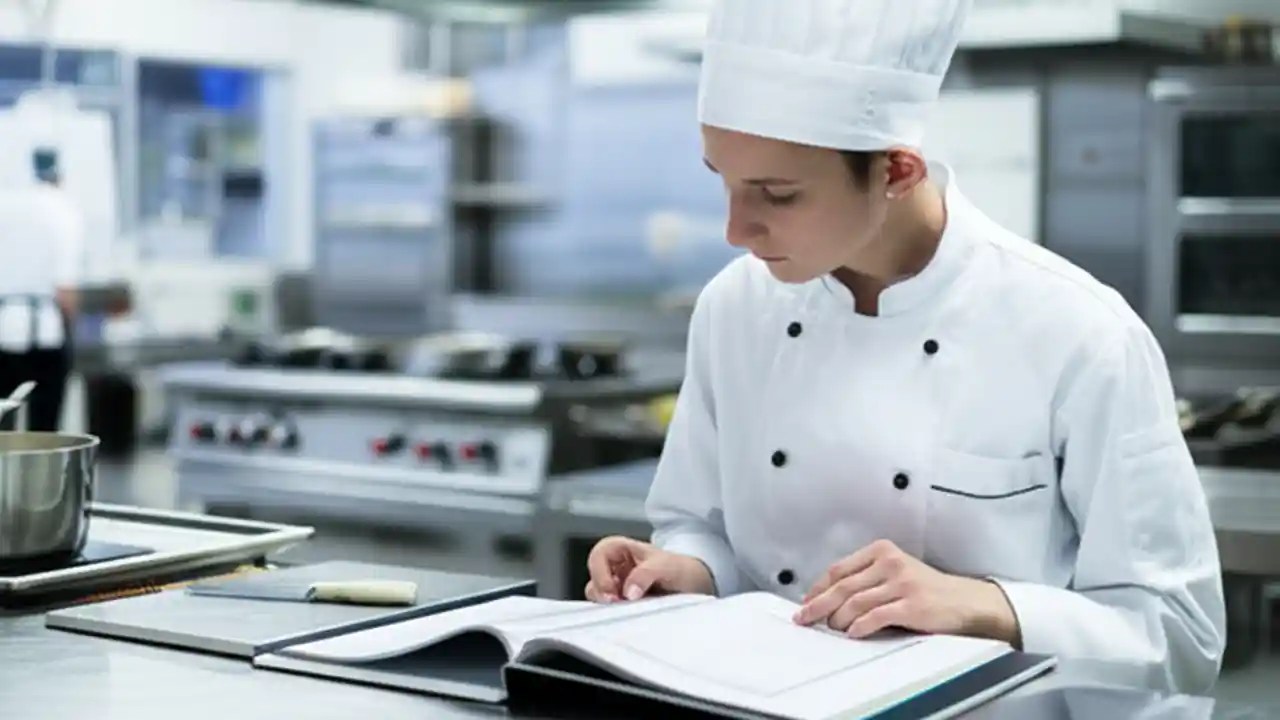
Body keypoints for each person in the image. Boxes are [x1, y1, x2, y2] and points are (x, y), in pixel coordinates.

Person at [585, 0, 1225, 695]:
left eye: (777, 194)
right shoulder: (733, 309)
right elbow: (700, 529)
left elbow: (1180, 637)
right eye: (725, 182)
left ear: (896, 171)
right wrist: (684, 570)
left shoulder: (1078, 332)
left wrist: (984, 605)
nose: (736, 230)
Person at [0, 147, 83, 431]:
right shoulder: (62, 210)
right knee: (44, 427)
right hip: (44, 331)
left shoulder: (6, 205)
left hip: (3, 327)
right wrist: (72, 330)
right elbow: (66, 289)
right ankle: (39, 474)